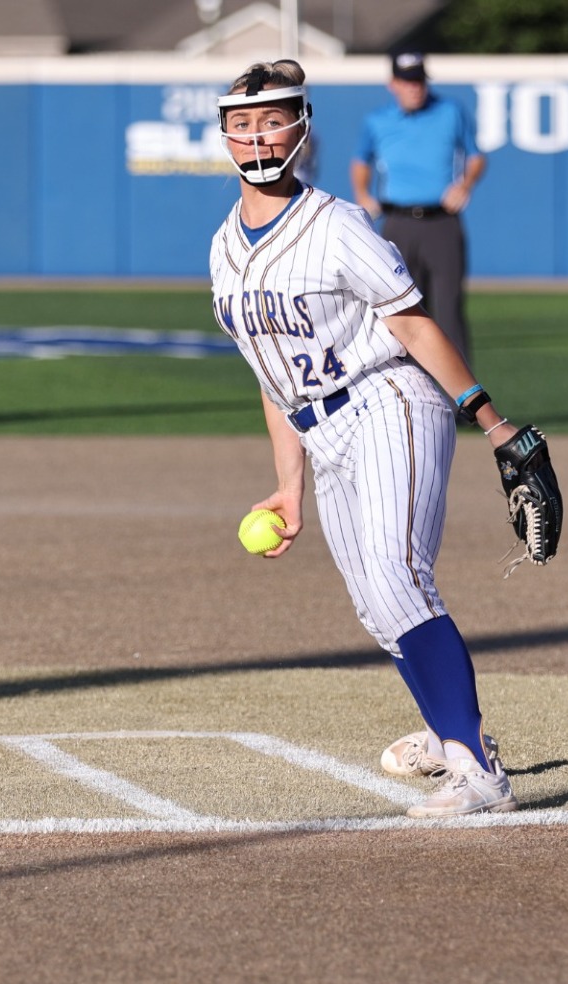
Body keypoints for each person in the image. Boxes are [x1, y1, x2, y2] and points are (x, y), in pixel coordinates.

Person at [212, 59, 526, 818]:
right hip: (320, 431)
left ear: (302, 127)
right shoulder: (224, 249)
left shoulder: (337, 225)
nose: (259, 135)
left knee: (395, 573)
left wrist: (490, 418)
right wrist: (291, 485)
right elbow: (273, 376)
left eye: (274, 119)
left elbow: (415, 323)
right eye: (243, 122)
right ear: (225, 133)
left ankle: (475, 766)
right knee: (375, 605)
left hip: (390, 401)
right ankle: (441, 727)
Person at [351, 51, 485, 367]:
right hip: (398, 222)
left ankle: (461, 402)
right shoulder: (378, 120)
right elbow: (360, 161)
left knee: (448, 309)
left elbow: (476, 156)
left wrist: (464, 185)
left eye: (419, 81)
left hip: (442, 221)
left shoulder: (450, 111)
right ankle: (409, 395)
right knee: (401, 311)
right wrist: (362, 193)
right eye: (408, 82)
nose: (415, 88)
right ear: (393, 84)